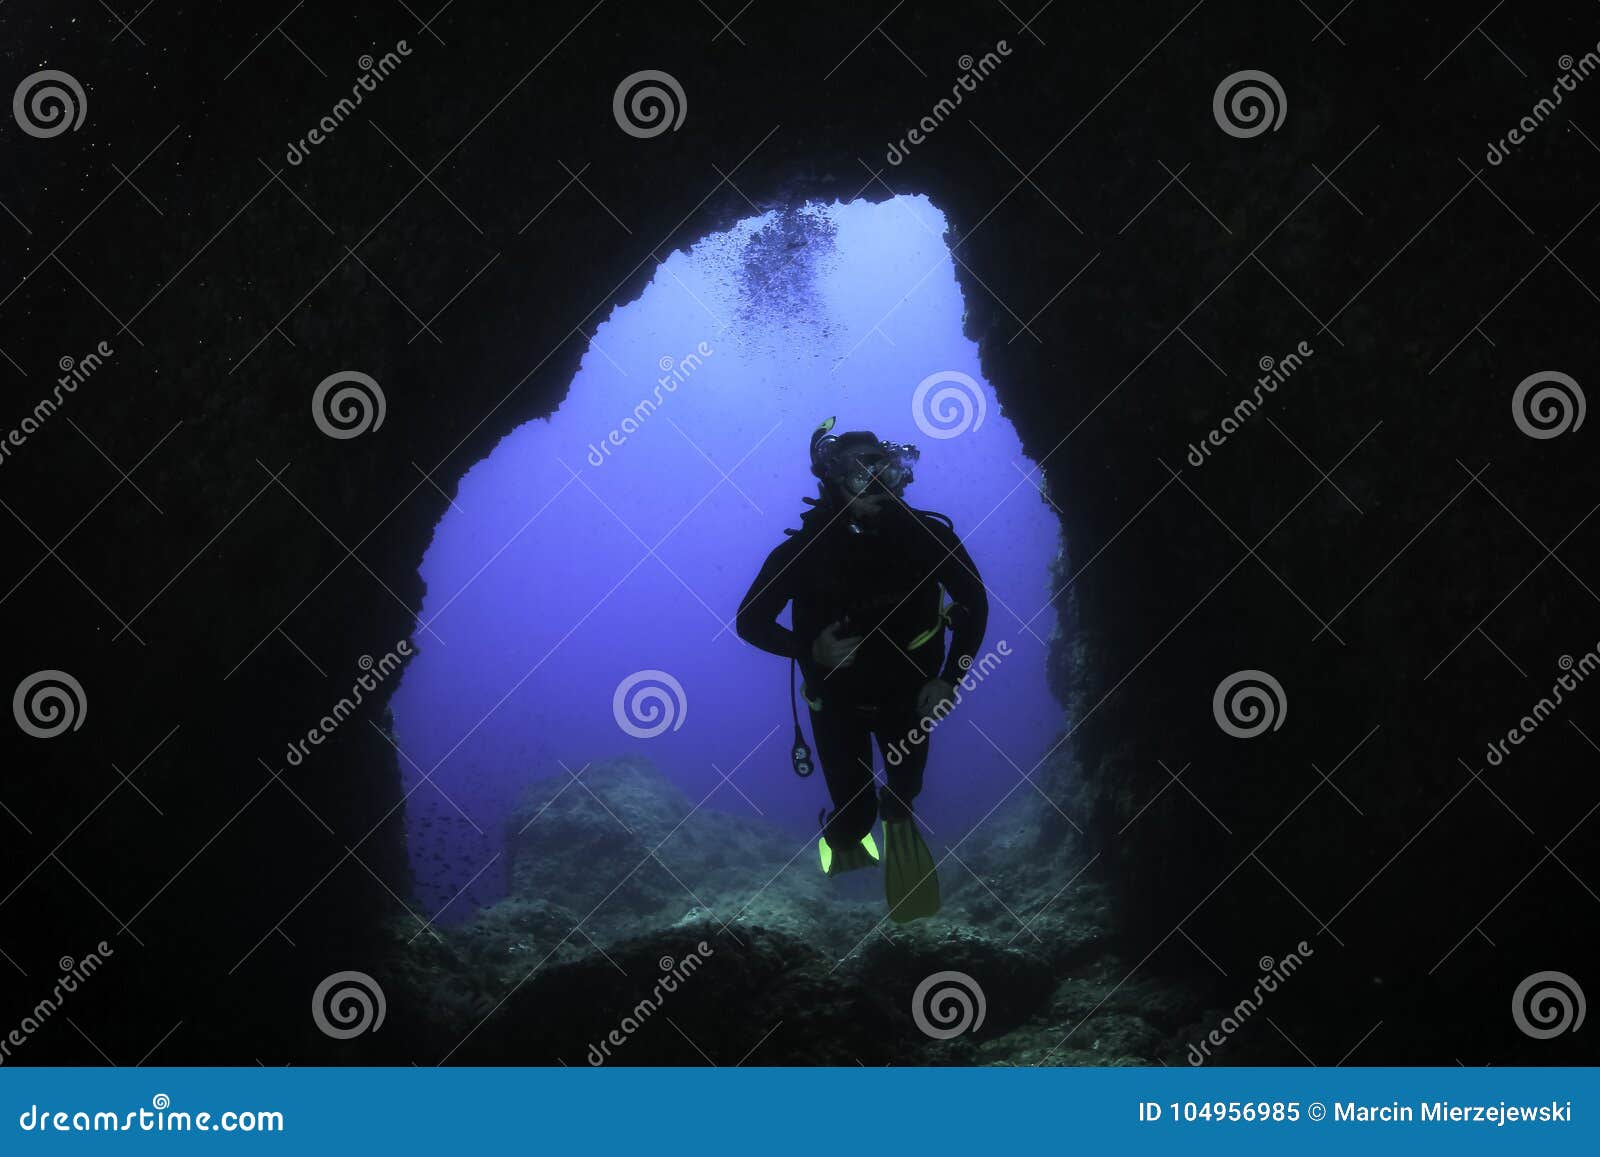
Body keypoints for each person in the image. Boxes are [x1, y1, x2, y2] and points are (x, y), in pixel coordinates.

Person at [735, 417, 988, 922]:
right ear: (830, 481)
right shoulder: (801, 553)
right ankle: (844, 834)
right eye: (859, 477)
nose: (877, 487)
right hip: (838, 705)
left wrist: (949, 680)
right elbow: (750, 622)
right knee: (856, 814)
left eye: (887, 473)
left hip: (910, 697)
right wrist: (810, 650)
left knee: (904, 792)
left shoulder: (928, 538)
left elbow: (975, 607)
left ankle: (897, 816)